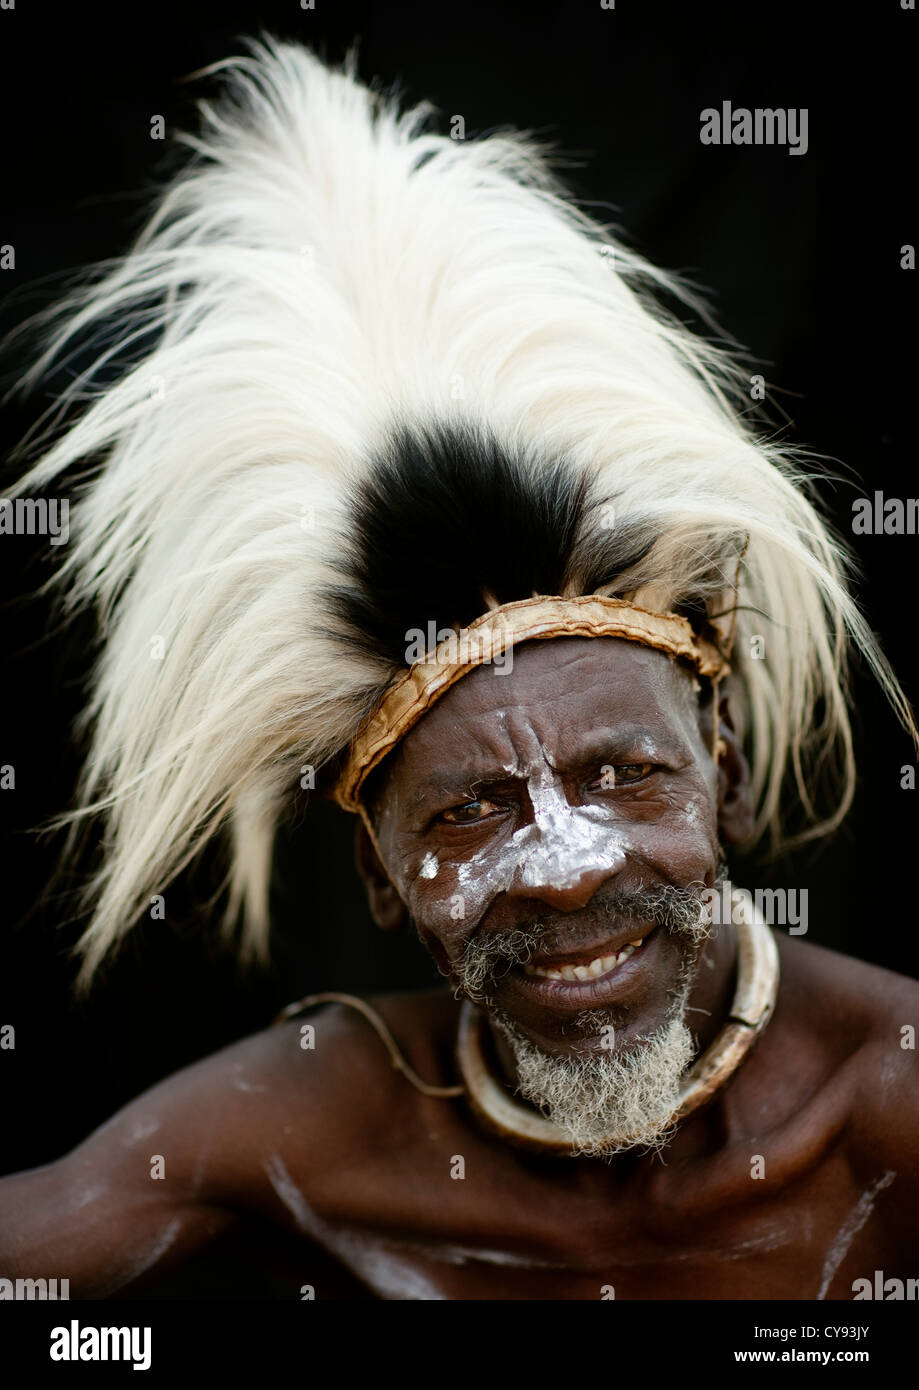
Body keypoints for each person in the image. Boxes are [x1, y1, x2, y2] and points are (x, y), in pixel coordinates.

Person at [2, 38, 917, 1301]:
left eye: (626, 772)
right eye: (466, 810)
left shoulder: (893, 1105)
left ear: (729, 777)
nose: (567, 864)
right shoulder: (296, 1138)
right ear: (381, 875)